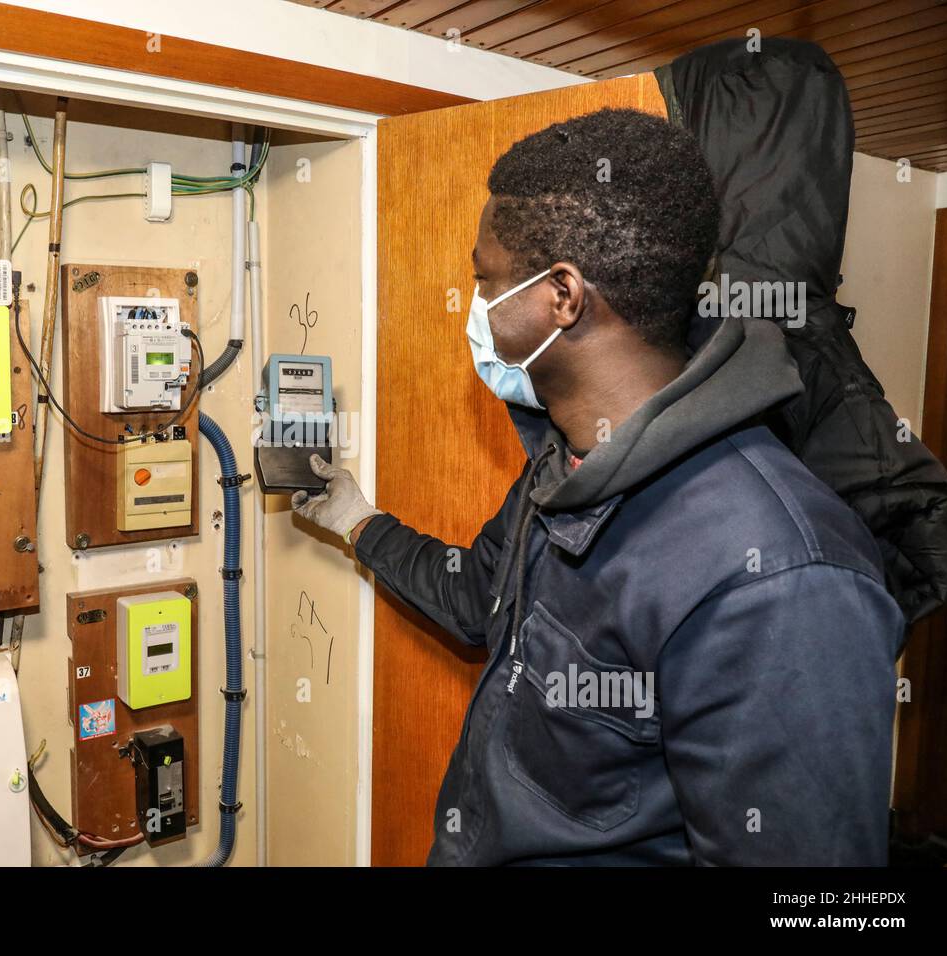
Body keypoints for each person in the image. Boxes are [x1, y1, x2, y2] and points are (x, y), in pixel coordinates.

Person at [291, 108, 905, 866]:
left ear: (563, 297)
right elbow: (479, 599)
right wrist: (356, 521)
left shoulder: (780, 576)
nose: (476, 309)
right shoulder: (572, 461)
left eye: (485, 281)